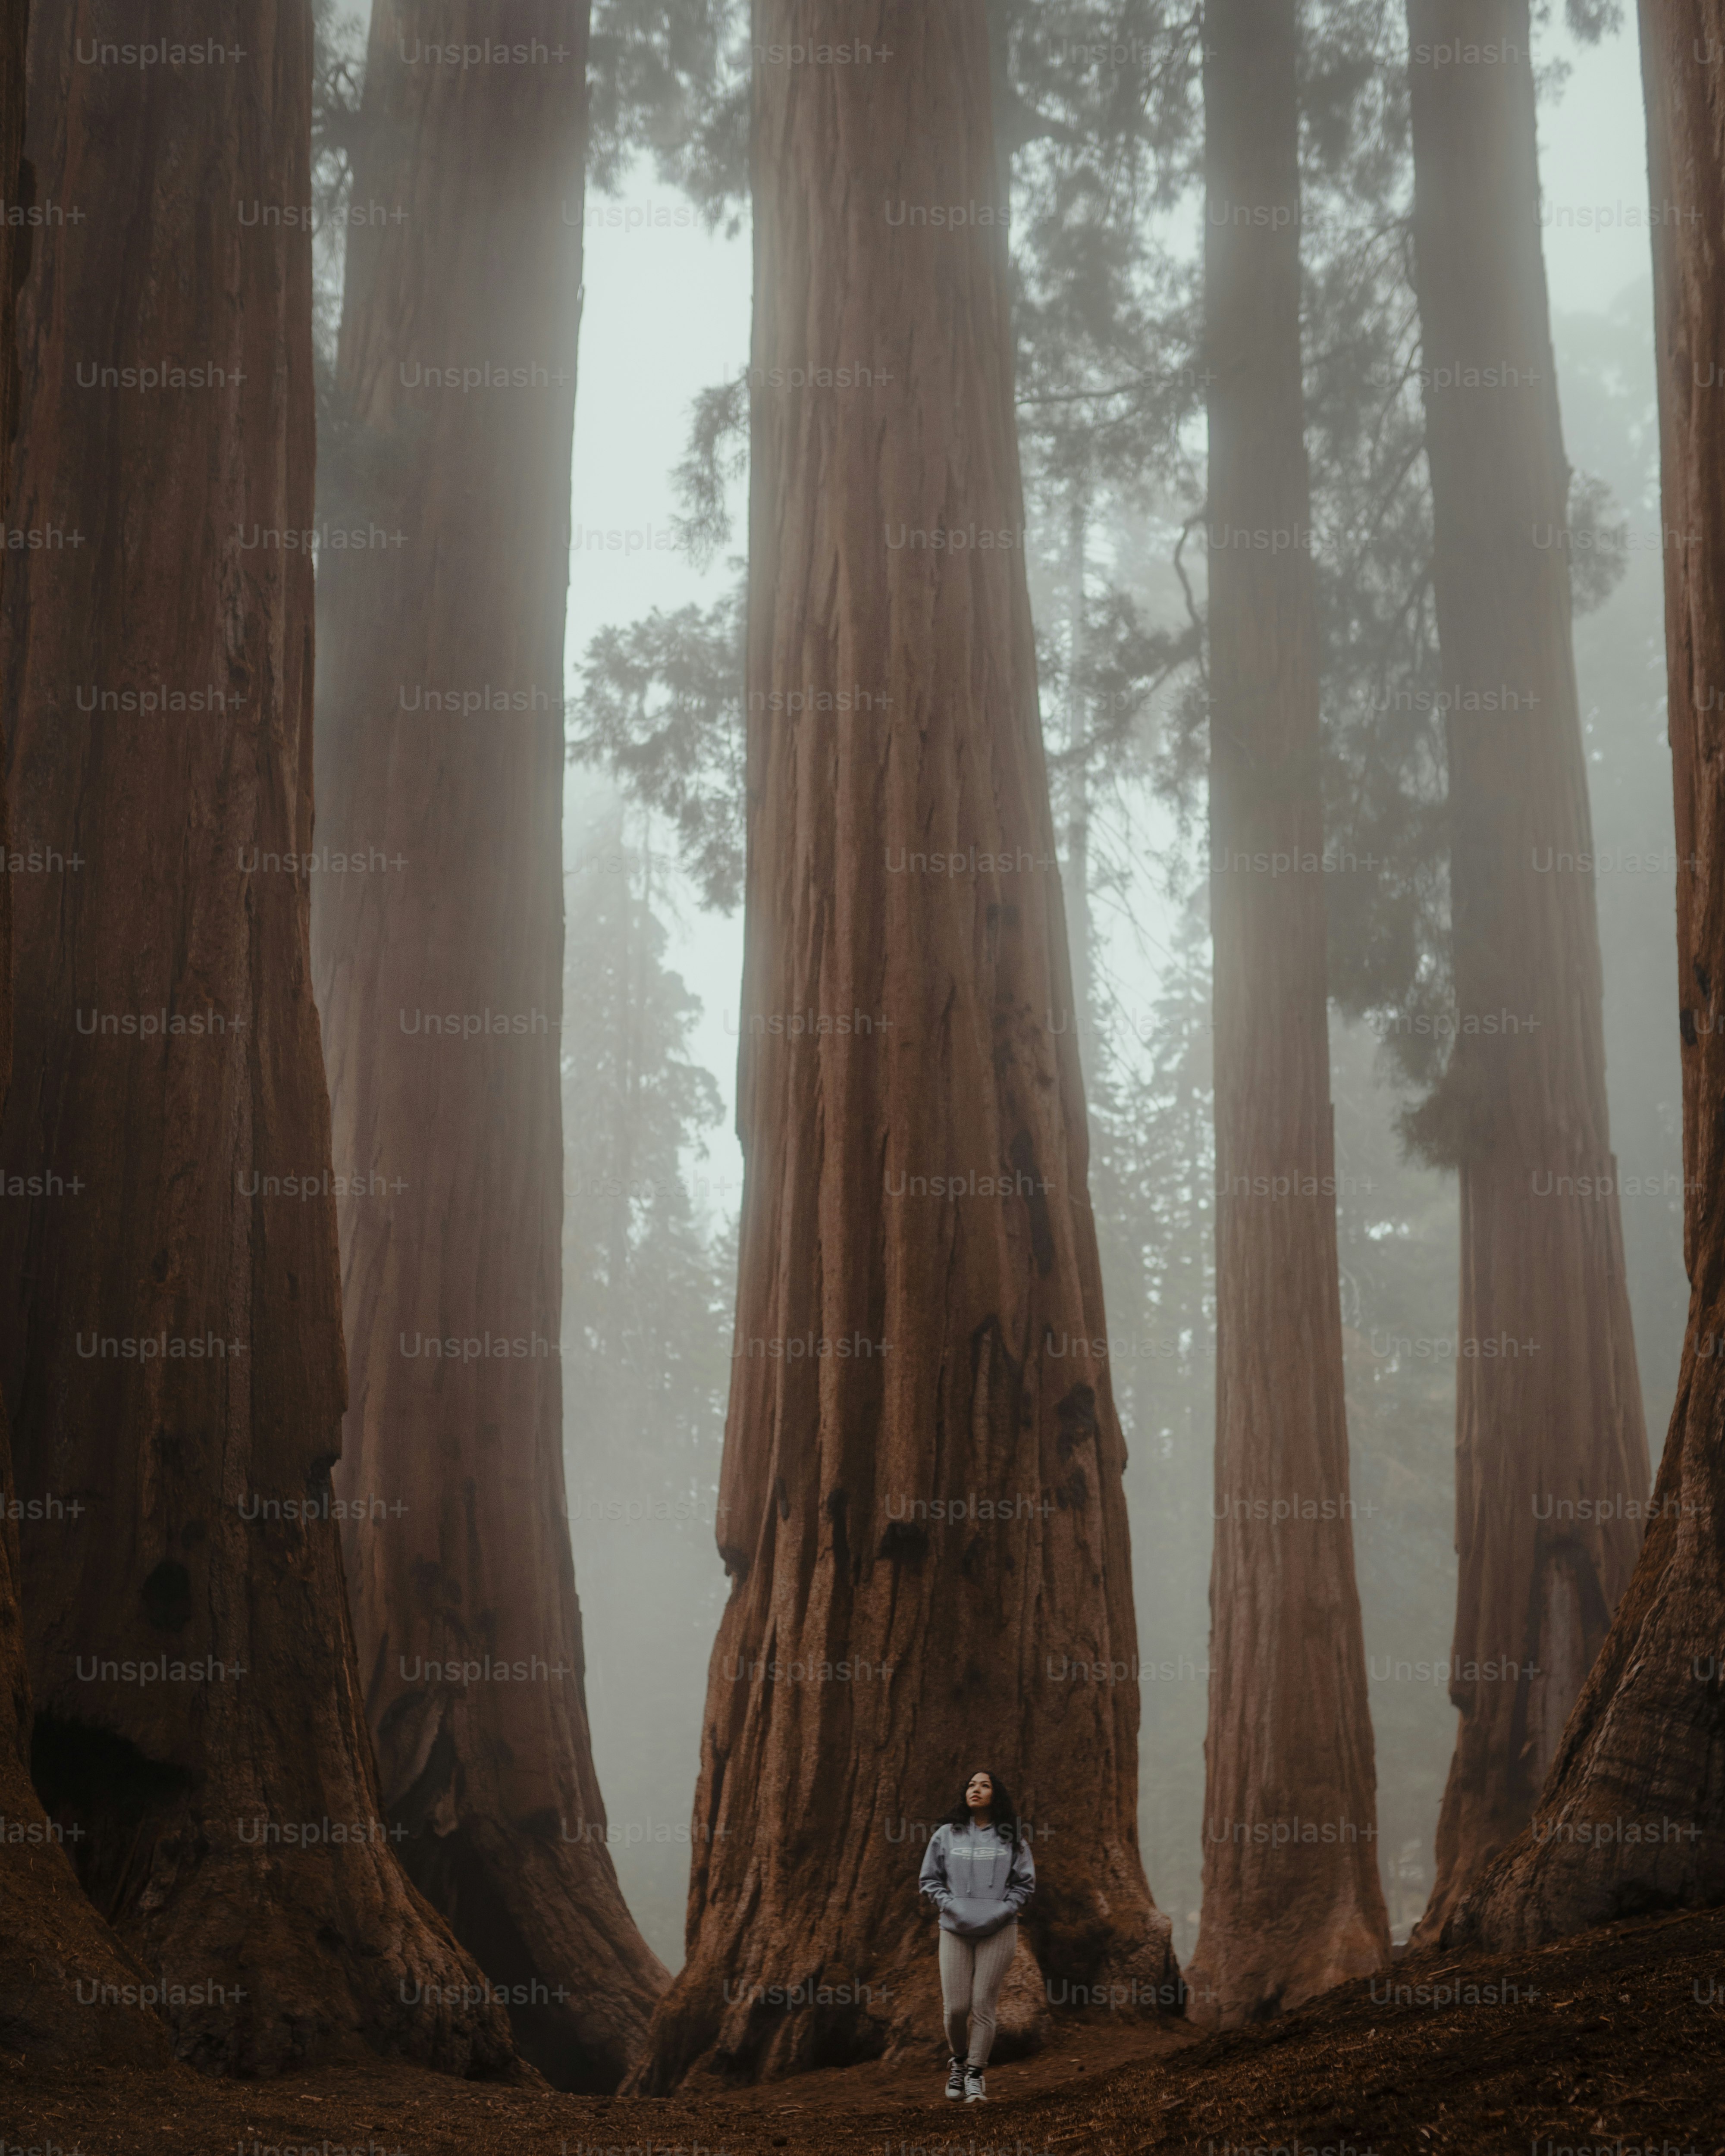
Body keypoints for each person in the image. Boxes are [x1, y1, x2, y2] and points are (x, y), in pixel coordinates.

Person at [917, 1767, 1035, 2103]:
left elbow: (1025, 1884)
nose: (976, 1789)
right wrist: (950, 1905)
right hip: (954, 1929)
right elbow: (929, 1879)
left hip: (999, 1931)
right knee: (956, 2008)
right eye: (971, 1785)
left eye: (985, 1785)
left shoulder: (1011, 1836)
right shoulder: (946, 1835)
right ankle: (958, 2061)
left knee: (983, 2004)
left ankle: (974, 2076)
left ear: (996, 1795)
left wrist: (1002, 1910)